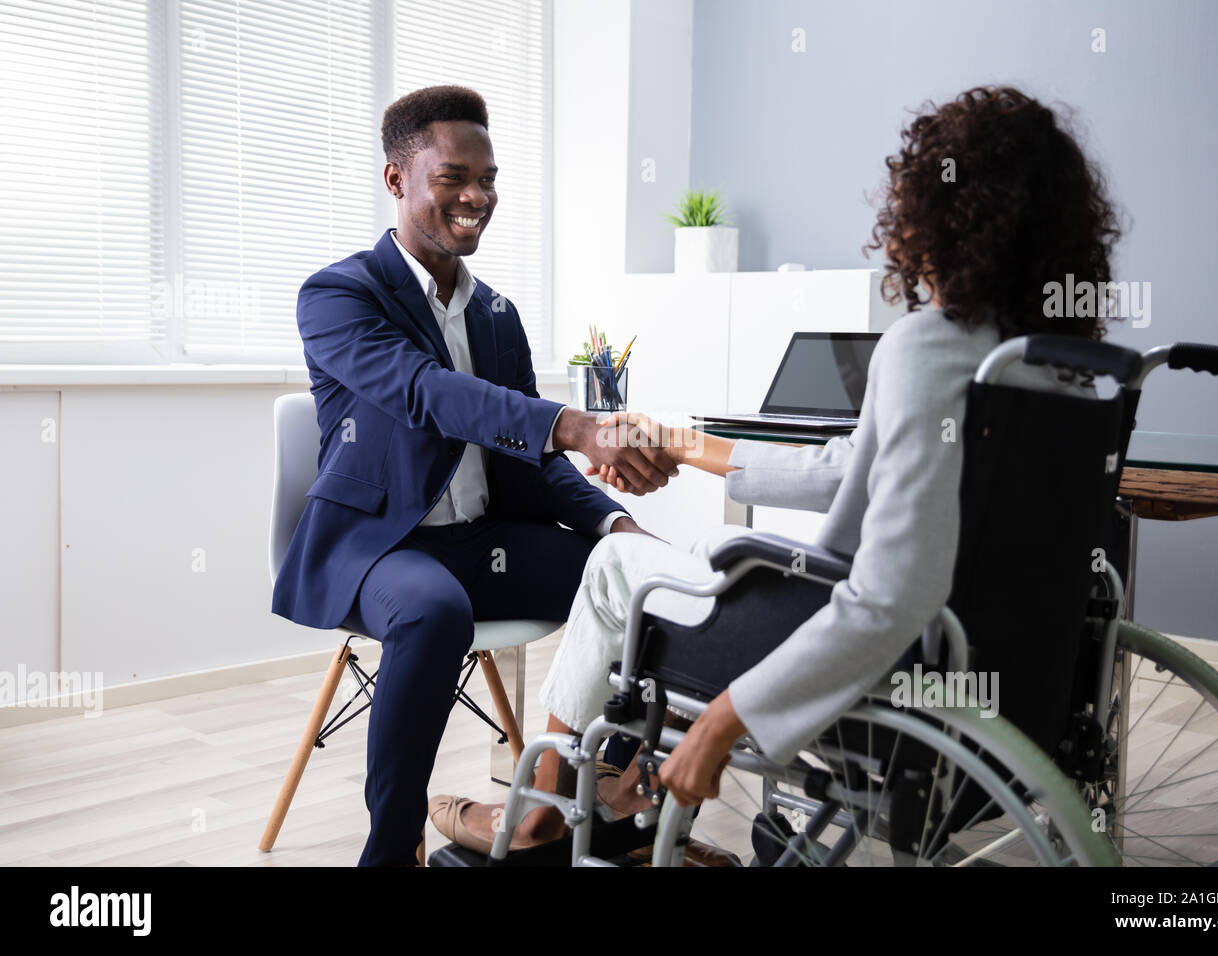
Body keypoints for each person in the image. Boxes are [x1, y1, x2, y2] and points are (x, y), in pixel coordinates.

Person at [428, 85, 1122, 852]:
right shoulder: (1058, 373)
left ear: (942, 212)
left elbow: (890, 596)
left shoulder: (928, 345)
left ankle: (537, 815)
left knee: (616, 564)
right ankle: (626, 793)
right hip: (1003, 663)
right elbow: (850, 466)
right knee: (662, 564)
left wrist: (722, 725)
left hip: (874, 655)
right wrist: (679, 443)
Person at [271, 85, 678, 866]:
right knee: (431, 613)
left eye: (488, 178)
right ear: (397, 180)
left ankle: (586, 809)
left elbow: (524, 453)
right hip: (383, 549)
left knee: (647, 584)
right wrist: (576, 423)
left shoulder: (496, 313)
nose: (477, 196)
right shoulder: (339, 294)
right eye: (454, 176)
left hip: (485, 540)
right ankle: (393, 849)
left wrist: (615, 528)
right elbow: (426, 393)